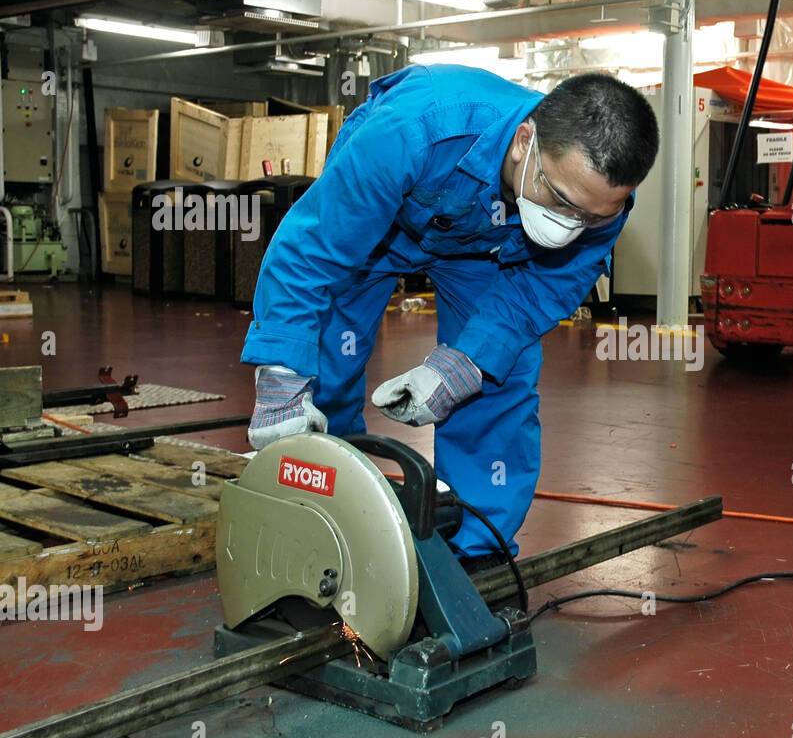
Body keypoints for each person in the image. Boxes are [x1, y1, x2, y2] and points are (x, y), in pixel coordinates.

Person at [241, 65, 659, 567]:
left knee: (497, 375)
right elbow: (313, 250)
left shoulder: (601, 201)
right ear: (525, 141)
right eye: (563, 202)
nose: (574, 226)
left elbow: (538, 289)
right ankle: (322, 511)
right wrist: (282, 378)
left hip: (486, 245)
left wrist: (464, 364)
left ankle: (478, 552)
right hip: (382, 224)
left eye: (593, 217)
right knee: (326, 357)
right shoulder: (413, 130)